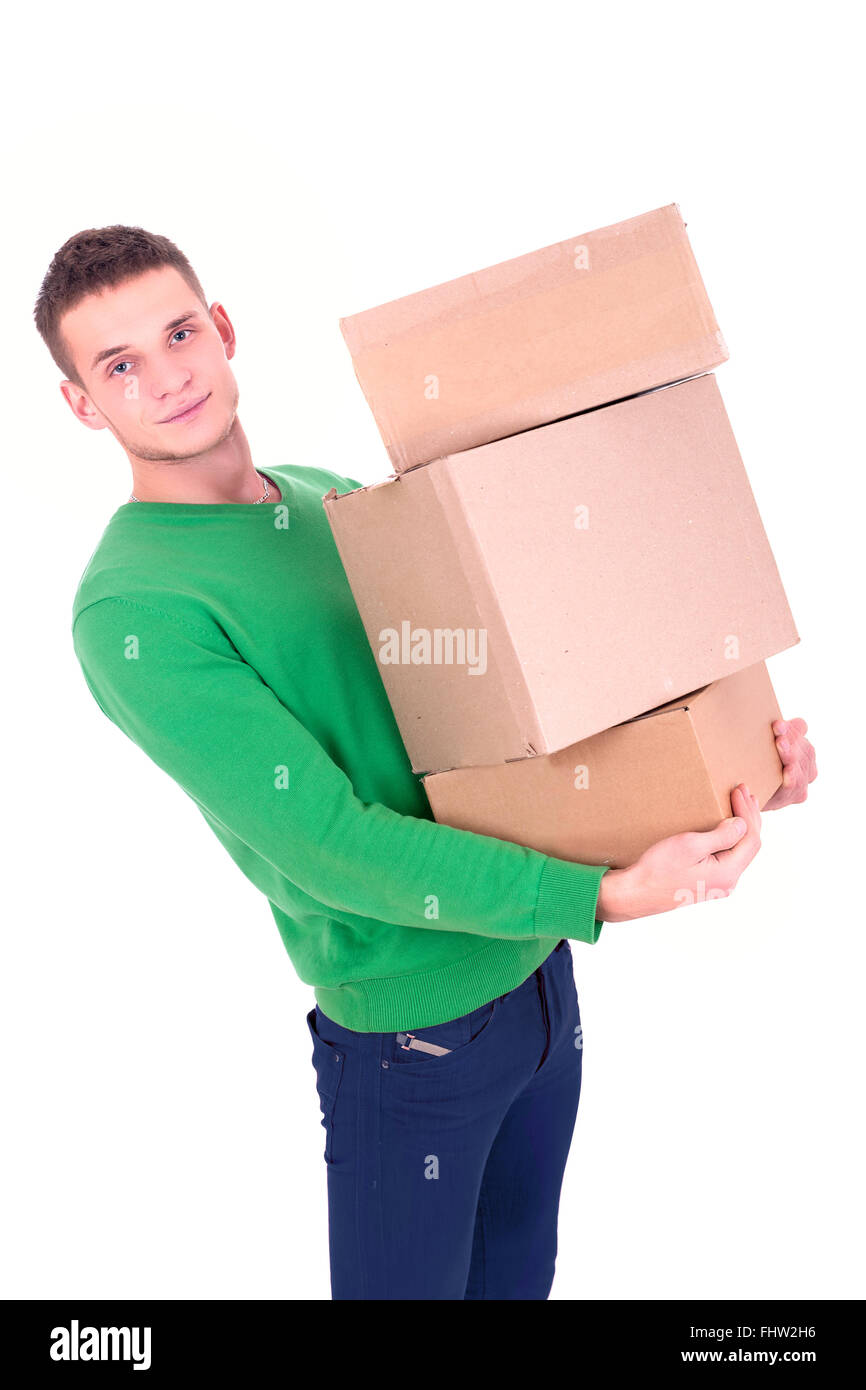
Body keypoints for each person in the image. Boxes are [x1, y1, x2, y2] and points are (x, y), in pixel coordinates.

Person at [34, 225, 818, 1301]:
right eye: (118, 364)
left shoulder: (324, 497)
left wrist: (715, 763)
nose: (165, 377)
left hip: (540, 984)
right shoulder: (136, 609)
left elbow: (510, 702)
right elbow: (330, 847)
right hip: (412, 1041)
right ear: (82, 402)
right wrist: (606, 893)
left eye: (178, 333)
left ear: (221, 331)